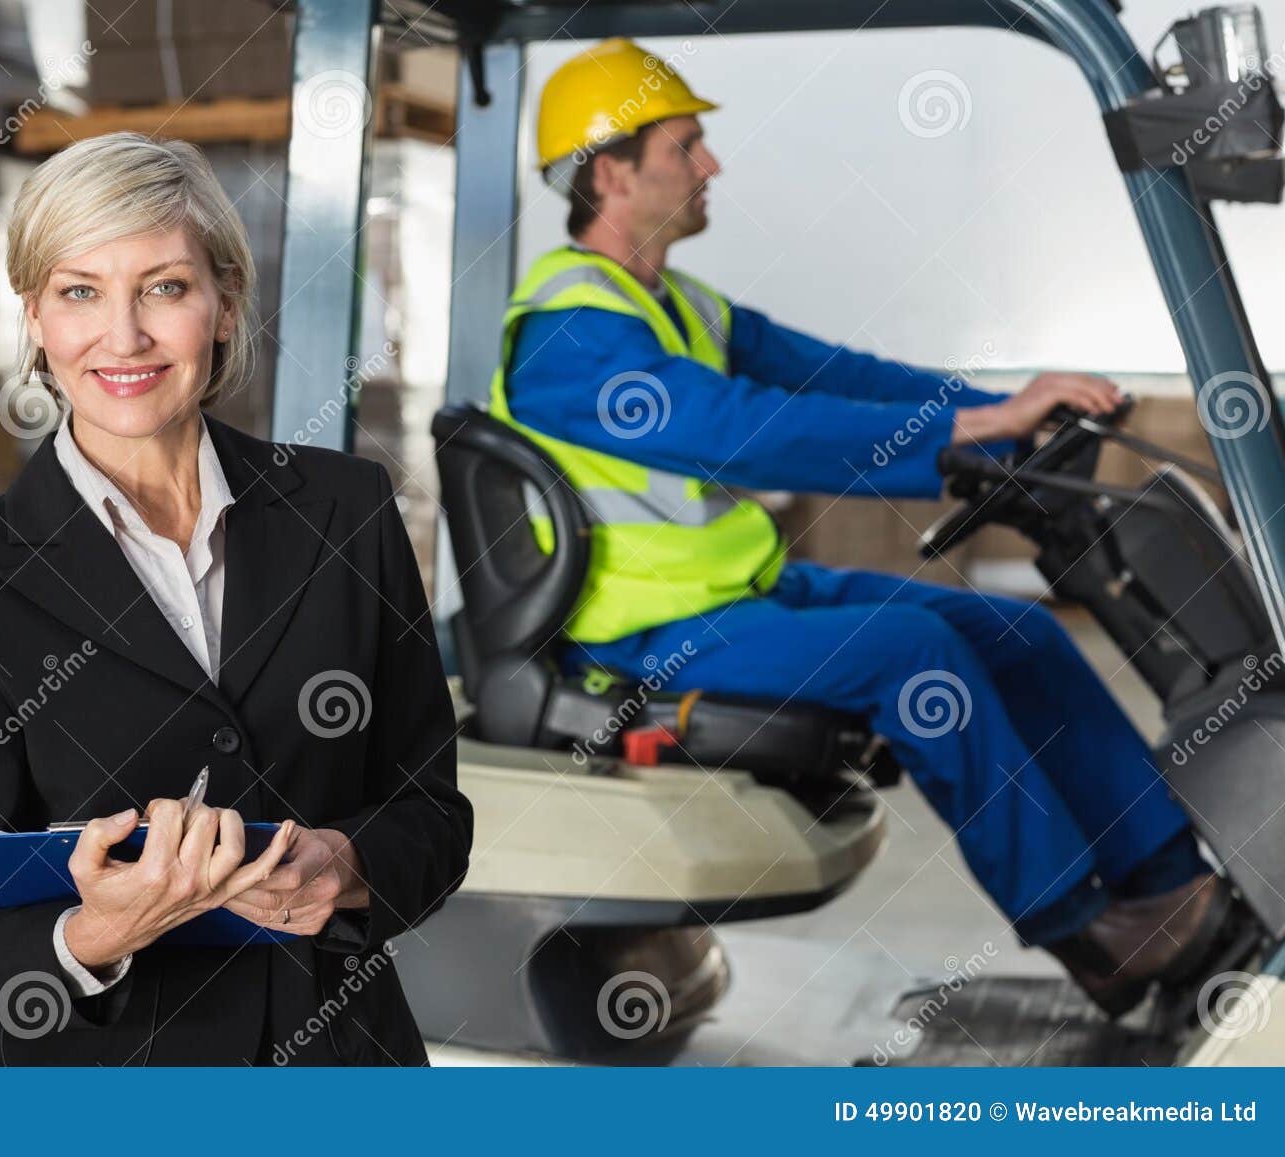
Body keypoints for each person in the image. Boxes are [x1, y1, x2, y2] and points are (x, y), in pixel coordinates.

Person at [492, 38, 1227, 1016]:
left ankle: (1172, 882)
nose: (709, 165)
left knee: (1019, 632)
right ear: (611, 169)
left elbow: (837, 376)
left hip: (735, 595)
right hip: (644, 634)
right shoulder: (567, 332)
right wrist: (966, 431)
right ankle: (1086, 933)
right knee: (912, 652)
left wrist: (1009, 413)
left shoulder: (677, 305)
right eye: (686, 146)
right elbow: (741, 432)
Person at [0, 131, 471, 1065]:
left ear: (225, 304)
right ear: (36, 317)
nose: (123, 337)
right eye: (80, 292)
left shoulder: (348, 513)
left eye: (164, 287)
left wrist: (348, 868)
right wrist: (94, 935)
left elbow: (433, 811)